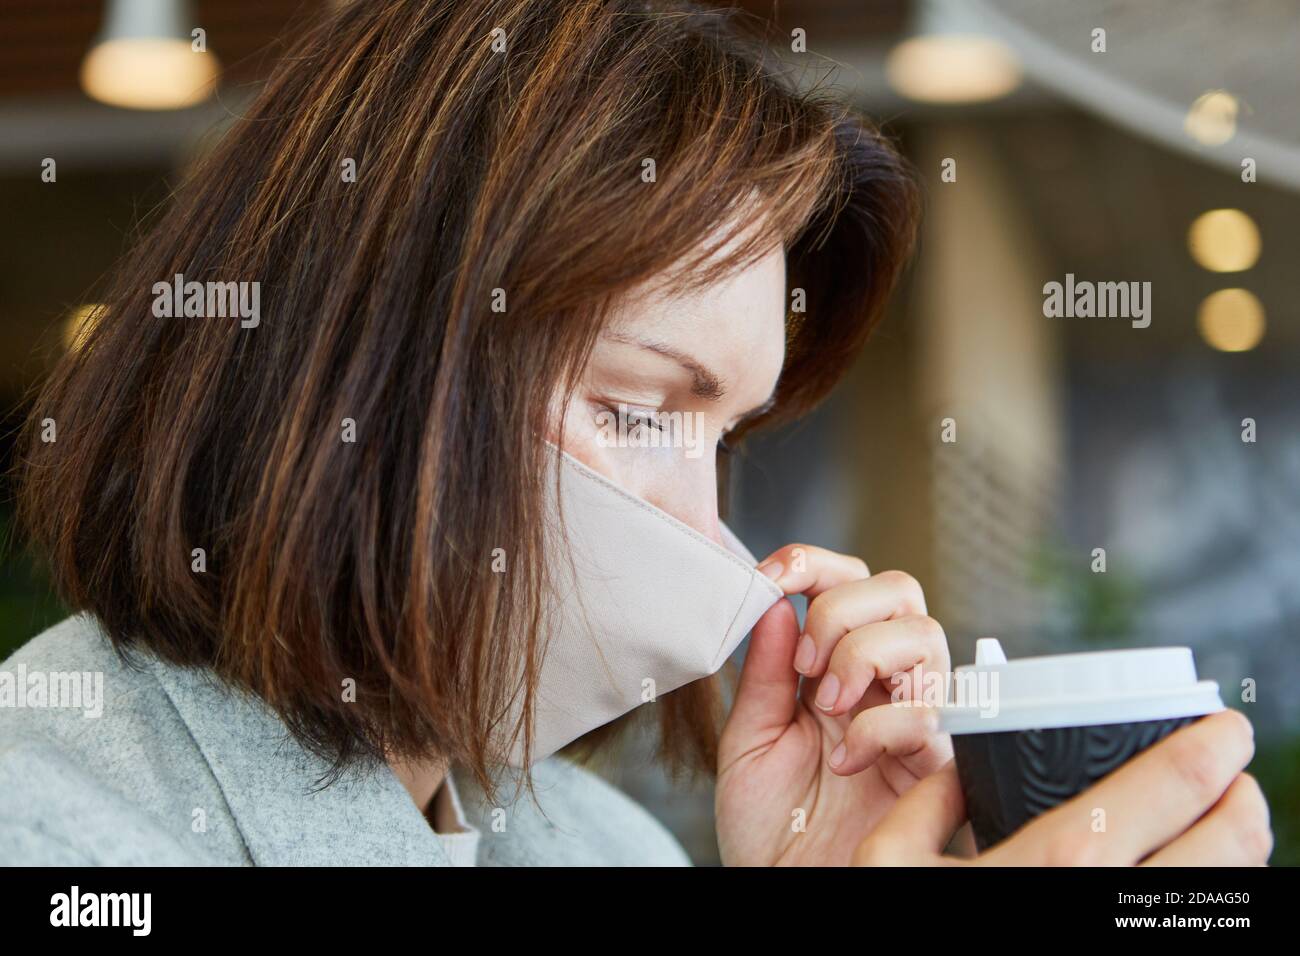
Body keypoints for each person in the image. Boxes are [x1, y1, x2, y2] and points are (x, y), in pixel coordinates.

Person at [0, 0, 1269, 866]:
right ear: (358, 369)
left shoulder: (607, 845)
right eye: (632, 406)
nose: (705, 541)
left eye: (719, 437)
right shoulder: (53, 823)